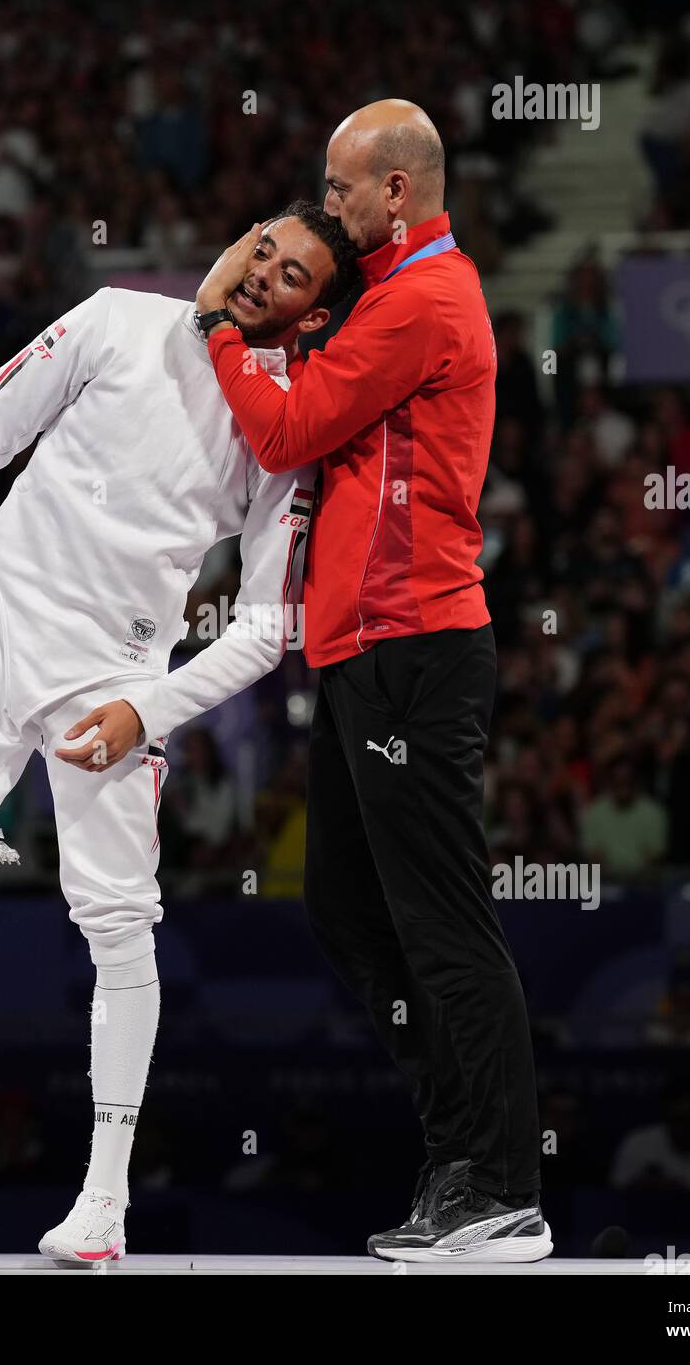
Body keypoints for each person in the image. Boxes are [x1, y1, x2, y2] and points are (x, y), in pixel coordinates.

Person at [0, 200, 357, 1262]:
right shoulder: (110, 320)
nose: (261, 275)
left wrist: (146, 708)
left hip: (111, 681)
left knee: (116, 921)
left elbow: (263, 634)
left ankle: (105, 1198)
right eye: (261, 251)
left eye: (291, 279)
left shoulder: (285, 436)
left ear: (312, 318)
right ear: (236, 241)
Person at [191, 100, 549, 1262]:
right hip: (362, 651)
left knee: (443, 920)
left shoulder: (430, 299)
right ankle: (463, 1163)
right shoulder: (387, 292)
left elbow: (289, 431)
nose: (328, 204)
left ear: (397, 190)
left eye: (342, 188)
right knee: (347, 910)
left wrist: (217, 335)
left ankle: (500, 1187)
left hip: (411, 642)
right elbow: (303, 344)